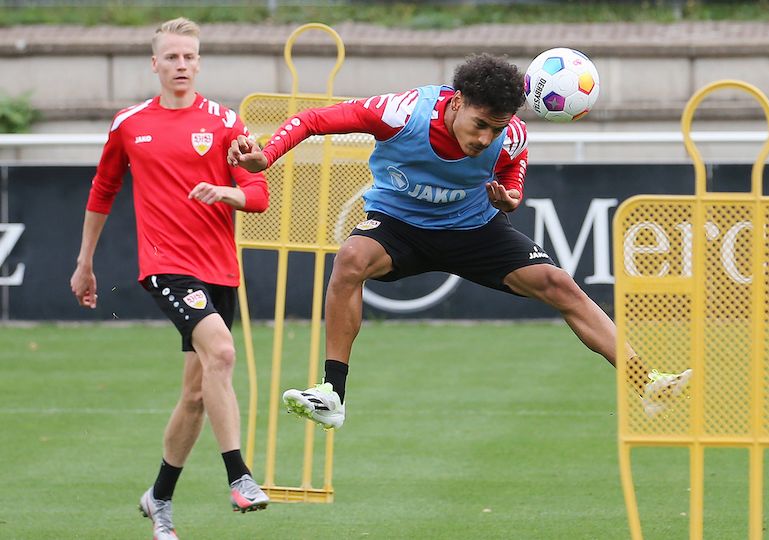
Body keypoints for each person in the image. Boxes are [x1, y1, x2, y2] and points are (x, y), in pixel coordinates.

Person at [227, 53, 691, 430]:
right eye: (481, 124)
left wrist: (510, 200)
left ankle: (646, 383)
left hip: (471, 229)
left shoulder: (510, 135)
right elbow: (313, 119)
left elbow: (513, 170)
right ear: (456, 101)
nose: (486, 137)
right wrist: (264, 155)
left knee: (558, 283)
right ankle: (332, 394)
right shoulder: (403, 112)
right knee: (350, 258)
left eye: (497, 127)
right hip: (398, 223)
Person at [69, 17, 270, 540]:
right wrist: (84, 261)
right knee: (222, 354)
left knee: (198, 393)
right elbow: (102, 190)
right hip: (165, 266)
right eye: (172, 57)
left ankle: (158, 497)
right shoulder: (130, 123)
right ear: (154, 64)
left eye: (190, 56)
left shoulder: (227, 122)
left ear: (199, 62)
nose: (181, 65)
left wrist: (226, 192)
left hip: (219, 269)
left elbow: (259, 194)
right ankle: (239, 477)